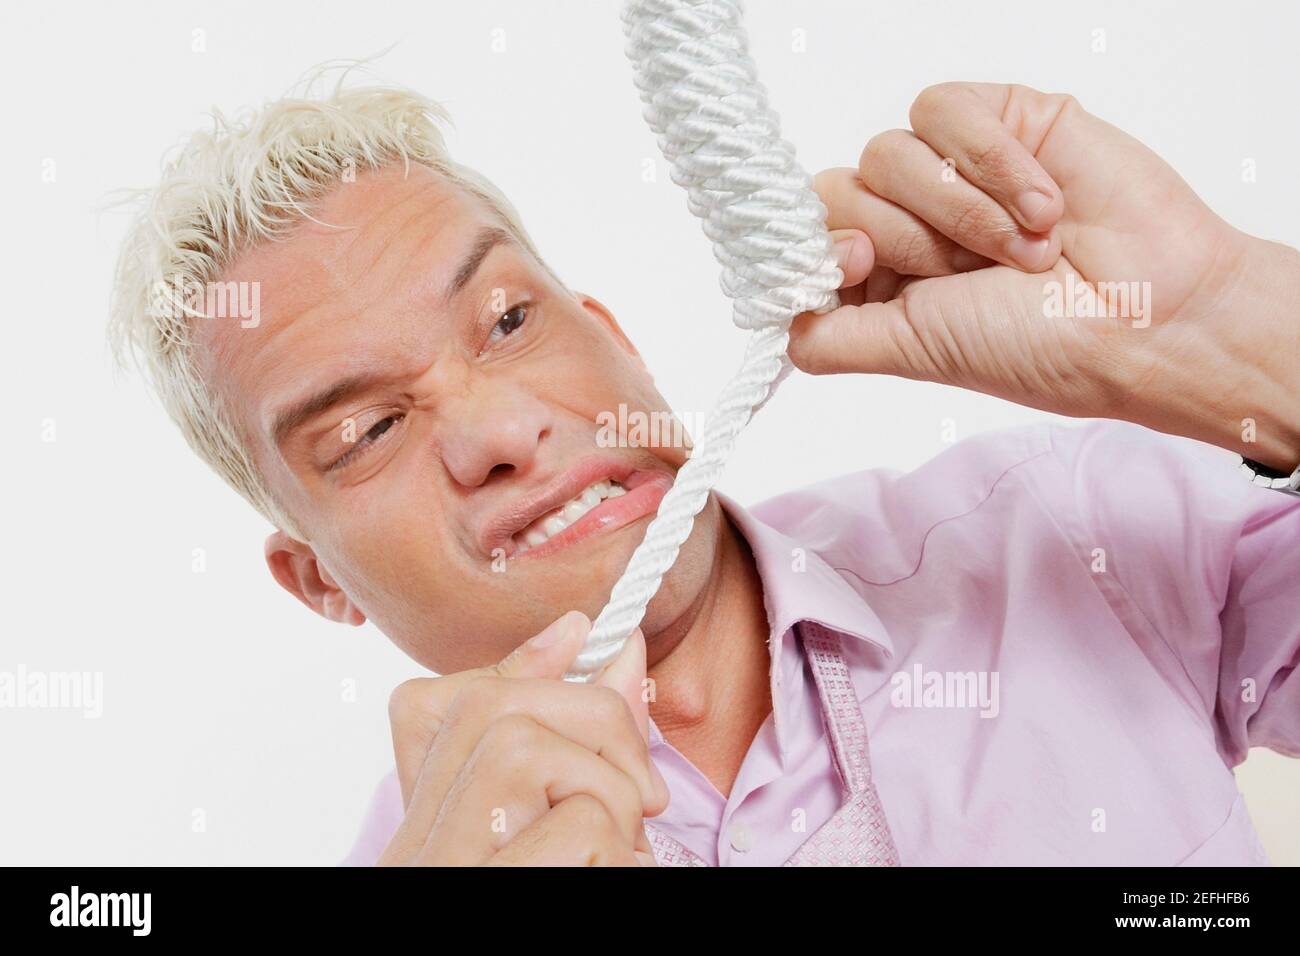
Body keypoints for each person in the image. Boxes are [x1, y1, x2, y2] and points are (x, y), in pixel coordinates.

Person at [109, 73, 1300, 866]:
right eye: (367, 430)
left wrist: (1241, 323)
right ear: (317, 580)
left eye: (510, 321)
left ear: (615, 336)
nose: (499, 430)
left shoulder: (1066, 529)